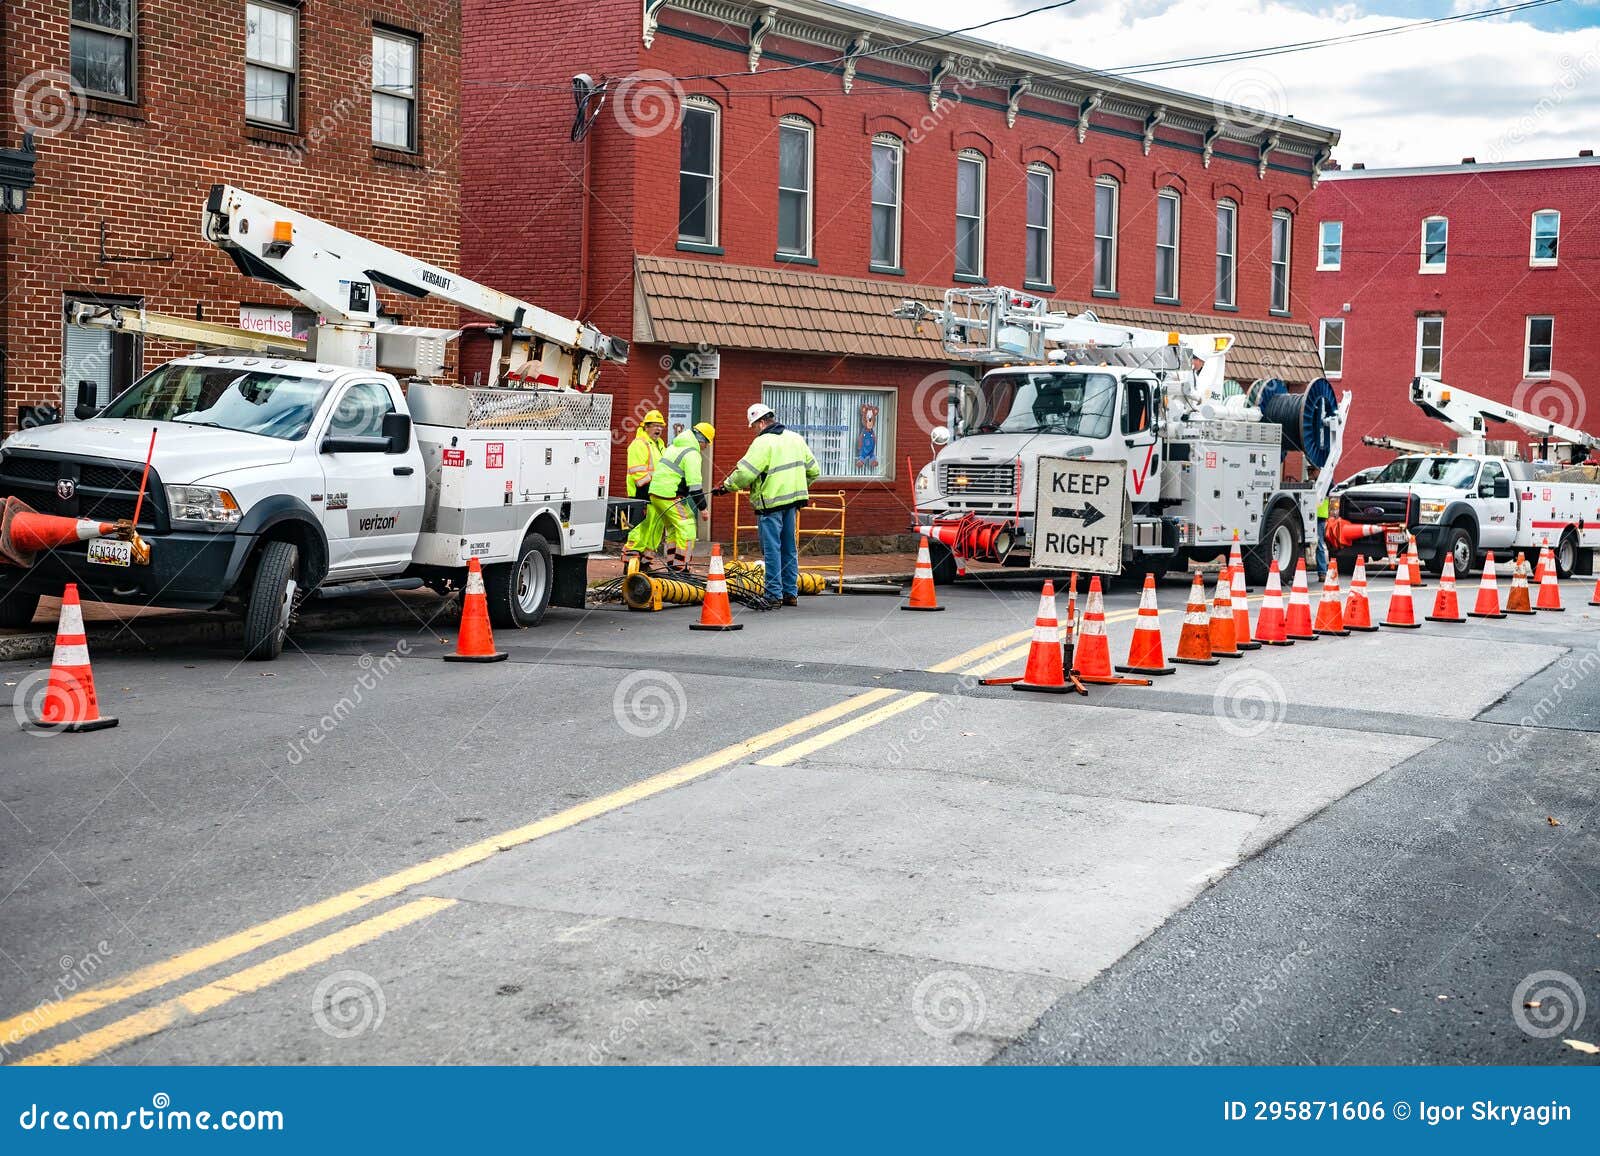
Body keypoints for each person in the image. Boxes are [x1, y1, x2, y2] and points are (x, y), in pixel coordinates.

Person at [716, 403, 820, 606]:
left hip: (770, 504)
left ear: (761, 422)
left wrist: (727, 486)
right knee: (789, 548)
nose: (754, 430)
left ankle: (773, 594)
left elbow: (745, 473)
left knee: (772, 549)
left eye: (754, 426)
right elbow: (814, 471)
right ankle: (790, 593)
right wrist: (797, 486)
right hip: (792, 503)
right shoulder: (796, 439)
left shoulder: (763, 443)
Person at [647, 421, 715, 572]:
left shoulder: (674, 447)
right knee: (688, 526)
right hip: (670, 496)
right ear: (701, 440)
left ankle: (672, 565)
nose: (707, 447)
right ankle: (680, 569)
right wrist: (703, 508)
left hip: (656, 494)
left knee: (673, 529)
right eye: (707, 443)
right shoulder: (692, 453)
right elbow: (695, 486)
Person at [620, 411, 668, 568]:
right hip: (641, 496)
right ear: (645, 427)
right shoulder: (639, 444)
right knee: (638, 531)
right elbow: (638, 476)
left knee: (654, 532)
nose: (658, 429)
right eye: (655, 425)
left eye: (661, 426)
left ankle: (645, 564)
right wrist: (646, 496)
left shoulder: (660, 445)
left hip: (656, 496)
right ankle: (630, 565)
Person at [1310, 466, 1329, 581]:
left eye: (1312, 471)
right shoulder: (1314, 483)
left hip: (1319, 517)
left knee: (1319, 545)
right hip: (1312, 516)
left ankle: (1322, 572)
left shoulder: (1325, 483)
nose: (1310, 473)